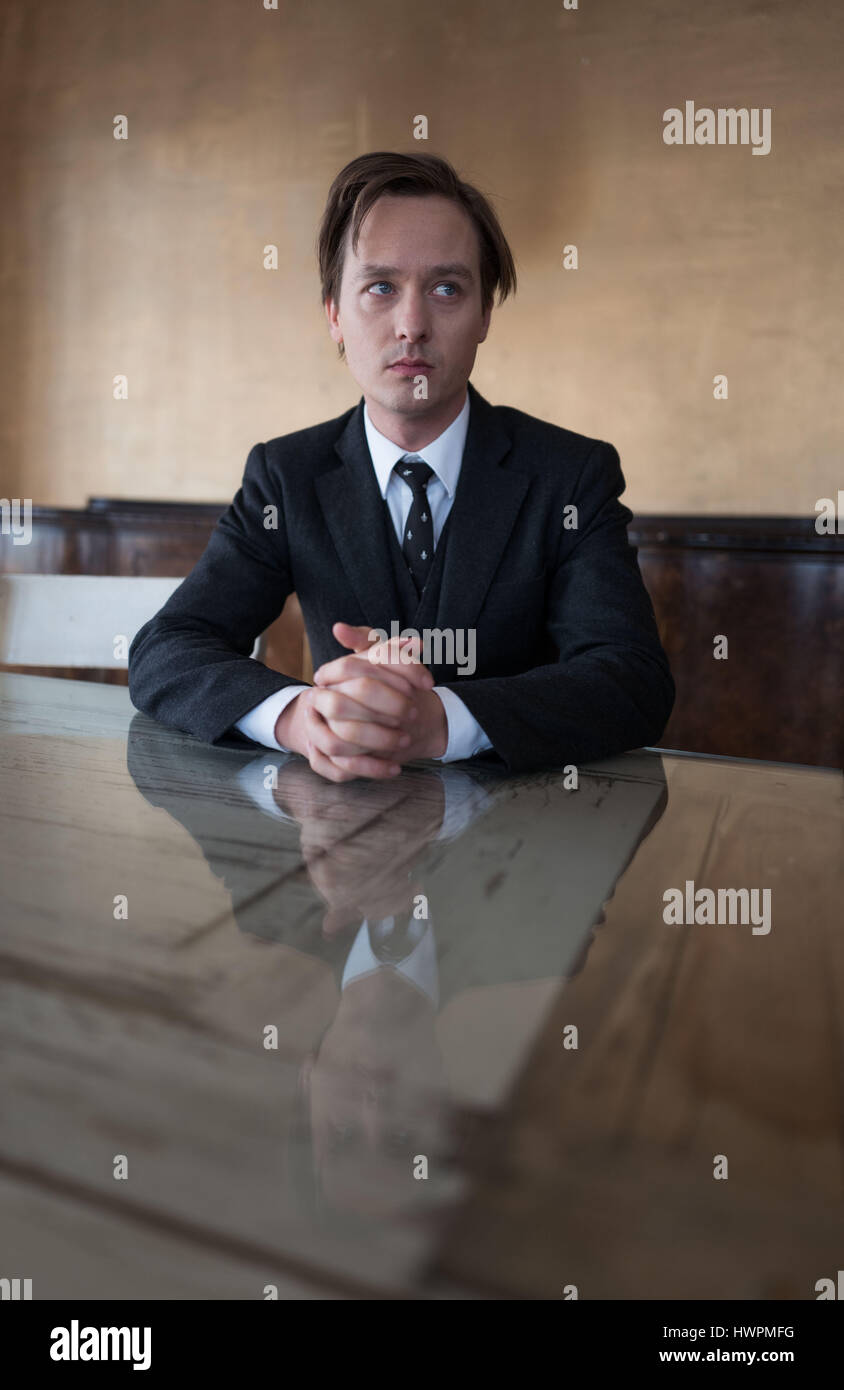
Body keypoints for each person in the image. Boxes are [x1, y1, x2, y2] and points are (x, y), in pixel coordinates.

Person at [128, 150, 674, 780]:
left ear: (485, 315)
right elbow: (166, 647)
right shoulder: (285, 475)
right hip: (338, 814)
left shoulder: (571, 475)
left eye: (447, 289)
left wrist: (441, 720)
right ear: (334, 314)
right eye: (381, 287)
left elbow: (632, 679)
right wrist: (298, 717)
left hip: (529, 818)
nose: (412, 326)